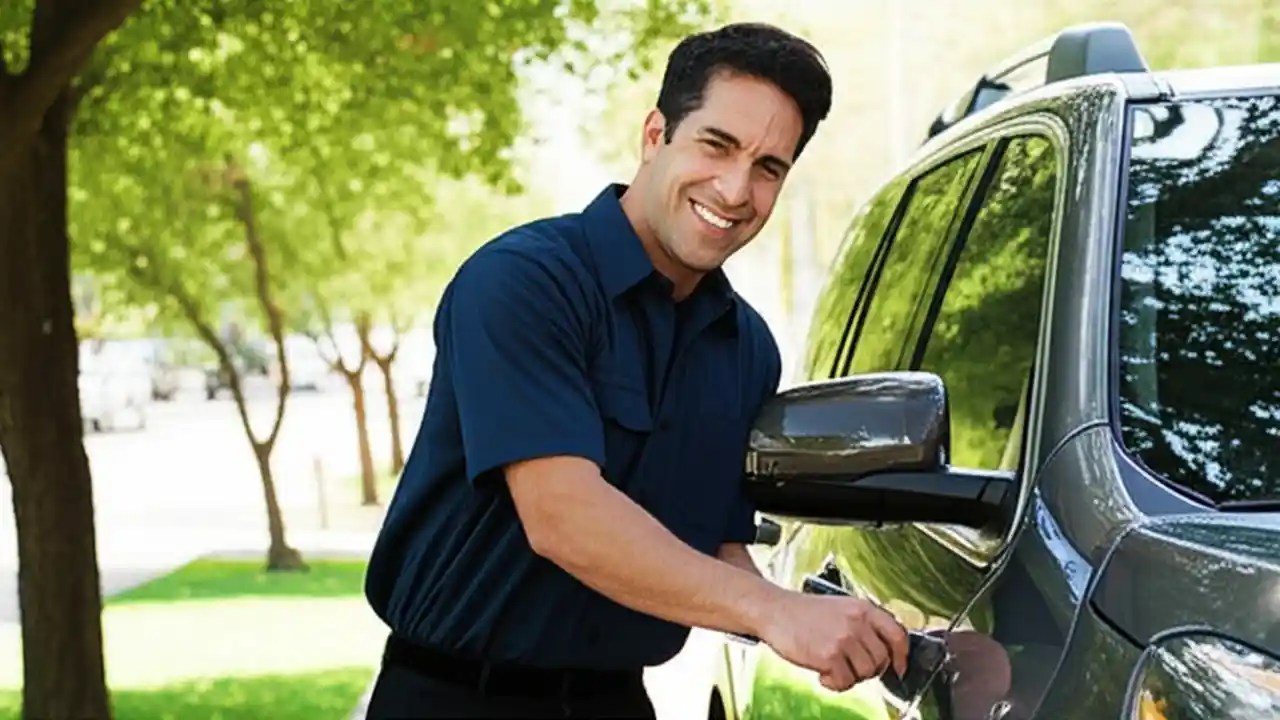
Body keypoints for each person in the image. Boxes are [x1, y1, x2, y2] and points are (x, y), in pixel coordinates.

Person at [362, 21, 909, 719]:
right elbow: (563, 516)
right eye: (717, 145)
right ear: (656, 136)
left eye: (769, 168)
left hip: (616, 701)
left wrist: (846, 626)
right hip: (454, 698)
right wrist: (771, 611)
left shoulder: (746, 348)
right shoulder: (524, 282)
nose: (737, 189)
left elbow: (713, 545)